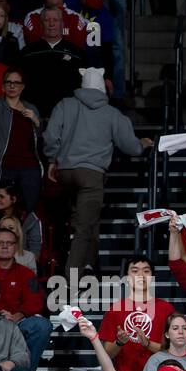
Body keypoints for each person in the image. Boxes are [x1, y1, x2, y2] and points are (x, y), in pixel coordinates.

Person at [42, 67, 153, 273]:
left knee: (86, 220)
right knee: (84, 227)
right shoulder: (112, 114)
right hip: (92, 175)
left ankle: (91, 265)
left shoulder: (65, 105)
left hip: (65, 171)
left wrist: (52, 159)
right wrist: (143, 144)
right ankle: (72, 278)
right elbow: (131, 147)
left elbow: (50, 136)